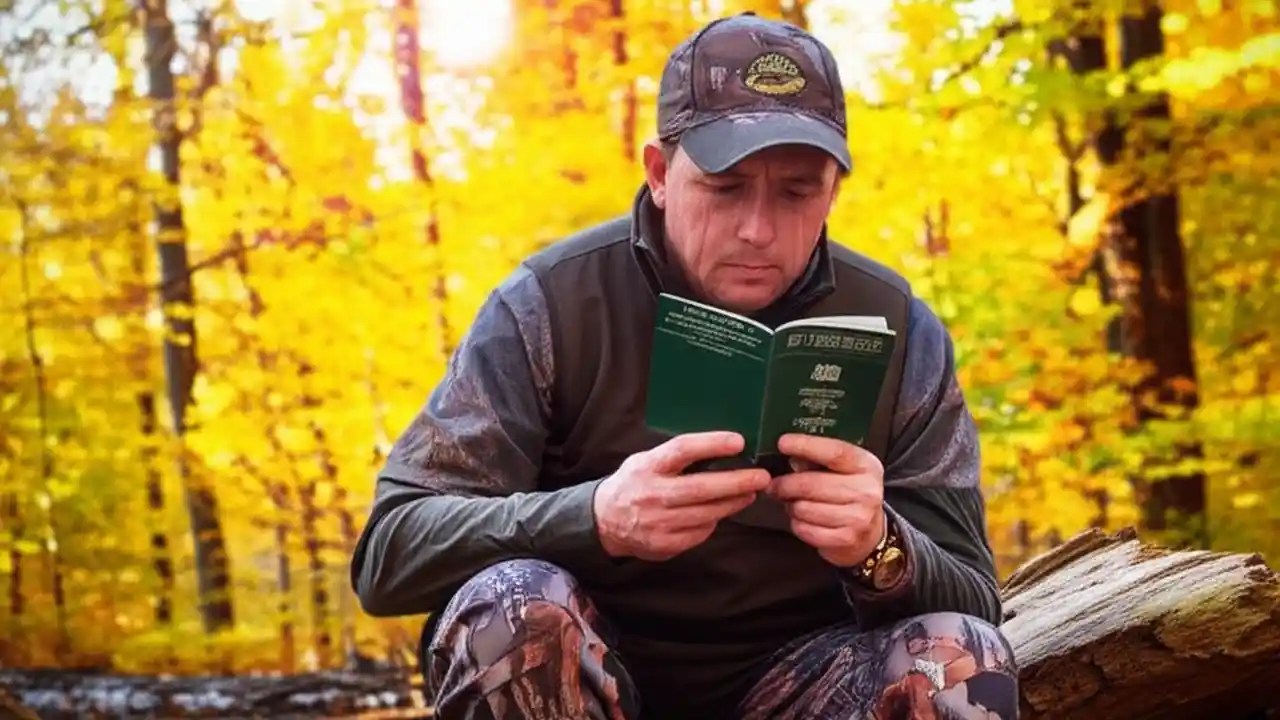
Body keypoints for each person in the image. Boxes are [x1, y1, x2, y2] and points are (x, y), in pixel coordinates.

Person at [350, 11, 1019, 720]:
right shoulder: (550, 304)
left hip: (806, 679)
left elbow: (977, 599)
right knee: (512, 607)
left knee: (961, 656)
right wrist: (593, 517)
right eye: (725, 188)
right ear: (660, 173)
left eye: (797, 192)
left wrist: (880, 546)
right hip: (586, 671)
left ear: (832, 193)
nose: (757, 230)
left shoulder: (897, 327)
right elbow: (390, 554)